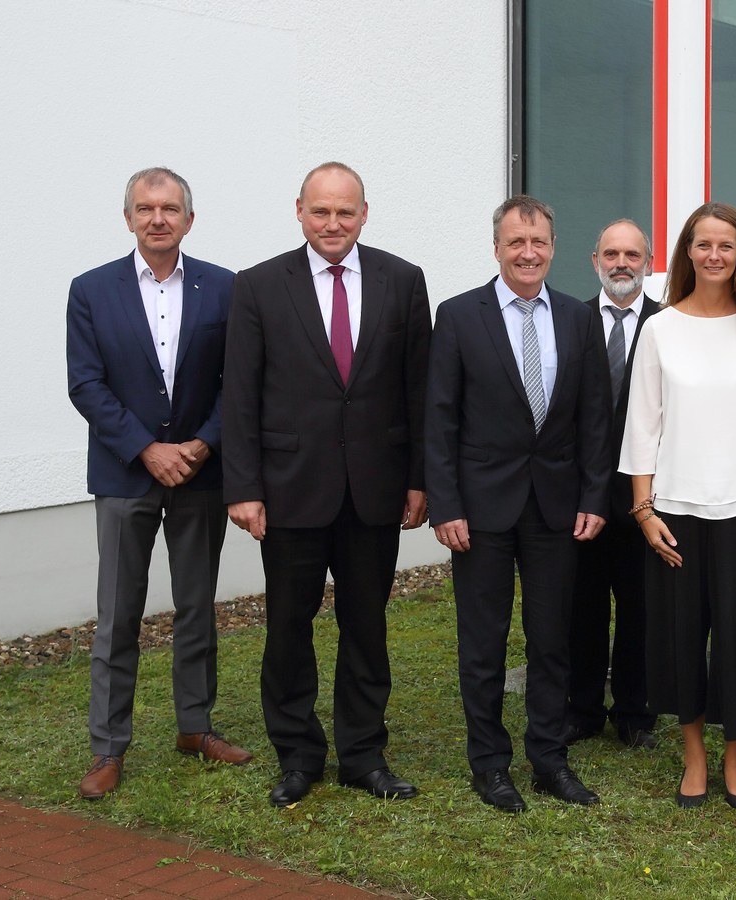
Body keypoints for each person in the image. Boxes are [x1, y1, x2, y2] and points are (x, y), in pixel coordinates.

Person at [223, 162, 431, 808]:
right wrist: (243, 487)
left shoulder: (403, 281)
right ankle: (298, 754)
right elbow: (240, 396)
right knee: (288, 625)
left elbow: (418, 390)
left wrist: (421, 480)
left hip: (375, 489)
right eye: (321, 211)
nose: (333, 223)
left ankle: (363, 754)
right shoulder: (258, 288)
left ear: (365, 213)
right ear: (299, 211)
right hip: (290, 490)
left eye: (346, 212)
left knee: (366, 625)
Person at [66, 166, 251, 799]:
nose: (157, 218)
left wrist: (200, 444)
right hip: (125, 473)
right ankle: (108, 746)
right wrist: (147, 449)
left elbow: (240, 382)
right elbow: (86, 384)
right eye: (145, 208)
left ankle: (194, 726)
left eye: (170, 208)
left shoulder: (224, 289)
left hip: (200, 471)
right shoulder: (91, 291)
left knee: (197, 605)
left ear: (189, 220)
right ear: (128, 218)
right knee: (118, 613)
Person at [425, 195, 611, 813]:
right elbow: (440, 419)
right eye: (515, 243)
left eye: (538, 243)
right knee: (483, 642)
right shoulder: (457, 316)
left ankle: (549, 759)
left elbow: (594, 418)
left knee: (552, 639)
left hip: (557, 506)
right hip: (478, 509)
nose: (528, 254)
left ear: (553, 248)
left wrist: (593, 495)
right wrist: (445, 505)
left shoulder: (577, 319)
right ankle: (490, 764)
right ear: (497, 248)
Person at [621, 202, 736, 810]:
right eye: (704, 245)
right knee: (679, 637)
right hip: (675, 509)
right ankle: (694, 756)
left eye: (727, 245)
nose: (715, 255)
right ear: (687, 253)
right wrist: (644, 512)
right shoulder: (660, 328)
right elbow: (642, 426)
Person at [565, 220, 662, 751]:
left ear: (648, 262)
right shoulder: (570, 320)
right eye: (611, 253)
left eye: (632, 254)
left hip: (646, 496)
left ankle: (635, 712)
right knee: (581, 607)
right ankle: (581, 709)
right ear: (594, 259)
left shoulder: (669, 324)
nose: (621, 262)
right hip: (581, 494)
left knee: (641, 610)